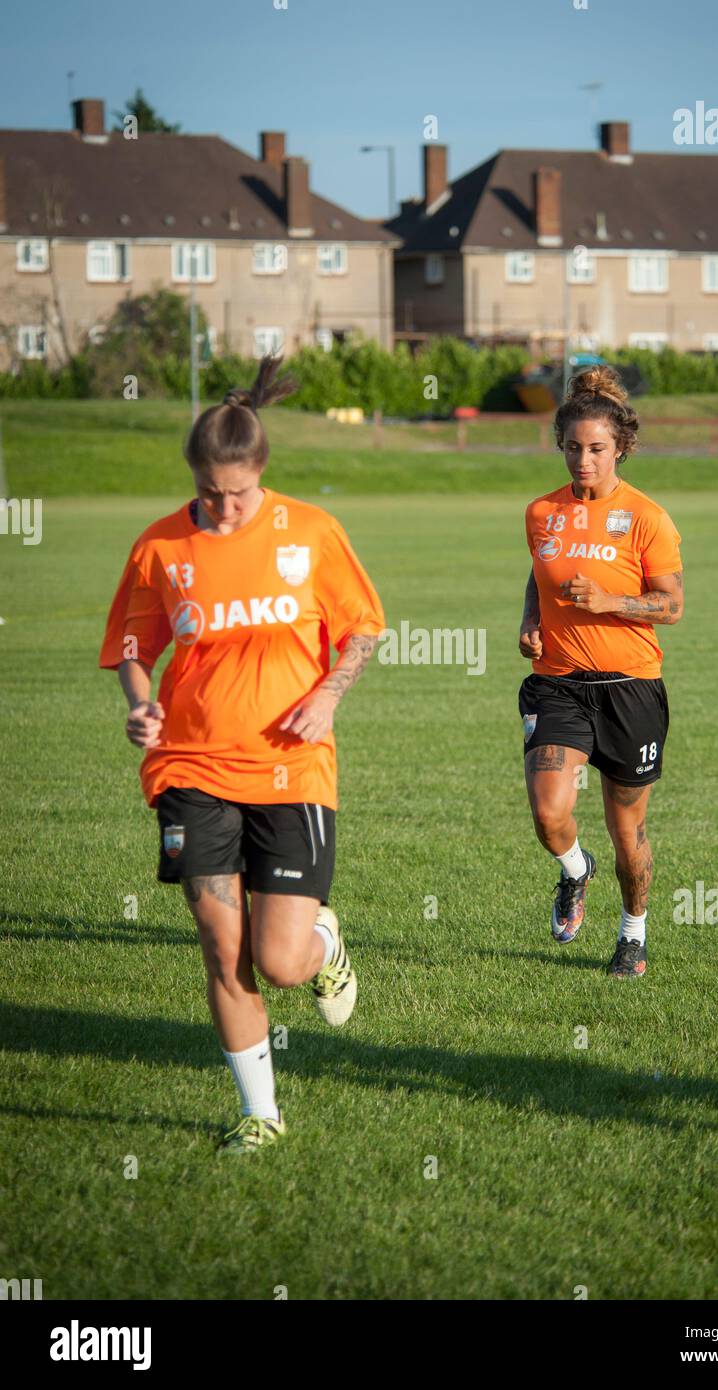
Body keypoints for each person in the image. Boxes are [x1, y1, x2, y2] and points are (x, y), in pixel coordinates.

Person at [99, 354, 385, 1153]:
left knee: (281, 962)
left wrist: (327, 695)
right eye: (210, 494)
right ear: (194, 474)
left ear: (261, 472)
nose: (224, 512)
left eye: (239, 495)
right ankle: (260, 1113)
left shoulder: (313, 533)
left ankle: (323, 942)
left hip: (292, 770)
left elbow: (361, 626)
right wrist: (139, 705)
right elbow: (132, 646)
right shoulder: (160, 546)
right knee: (223, 953)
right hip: (189, 769)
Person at [518, 365, 683, 978]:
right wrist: (531, 616)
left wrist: (613, 602)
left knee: (626, 828)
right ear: (559, 446)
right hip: (559, 682)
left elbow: (671, 604)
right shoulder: (540, 514)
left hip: (631, 690)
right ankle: (572, 871)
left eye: (596, 449)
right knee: (548, 811)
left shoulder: (647, 518)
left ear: (620, 448)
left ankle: (632, 935)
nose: (583, 461)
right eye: (572, 448)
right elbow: (540, 574)